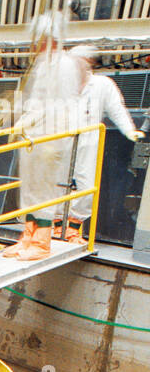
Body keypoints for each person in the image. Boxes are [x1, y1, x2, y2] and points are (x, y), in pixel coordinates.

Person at [4, 11, 81, 261]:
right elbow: (35, 101)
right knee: (29, 188)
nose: (35, 45)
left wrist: (26, 122)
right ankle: (27, 237)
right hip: (35, 136)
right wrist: (20, 124)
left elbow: (56, 105)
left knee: (44, 189)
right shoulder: (42, 64)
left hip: (52, 136)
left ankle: (42, 242)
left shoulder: (64, 65)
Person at [61, 43, 144, 238]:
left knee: (87, 186)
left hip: (88, 143)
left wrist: (130, 131)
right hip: (61, 141)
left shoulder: (102, 85)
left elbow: (117, 109)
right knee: (58, 184)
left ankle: (73, 227)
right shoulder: (62, 86)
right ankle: (56, 225)